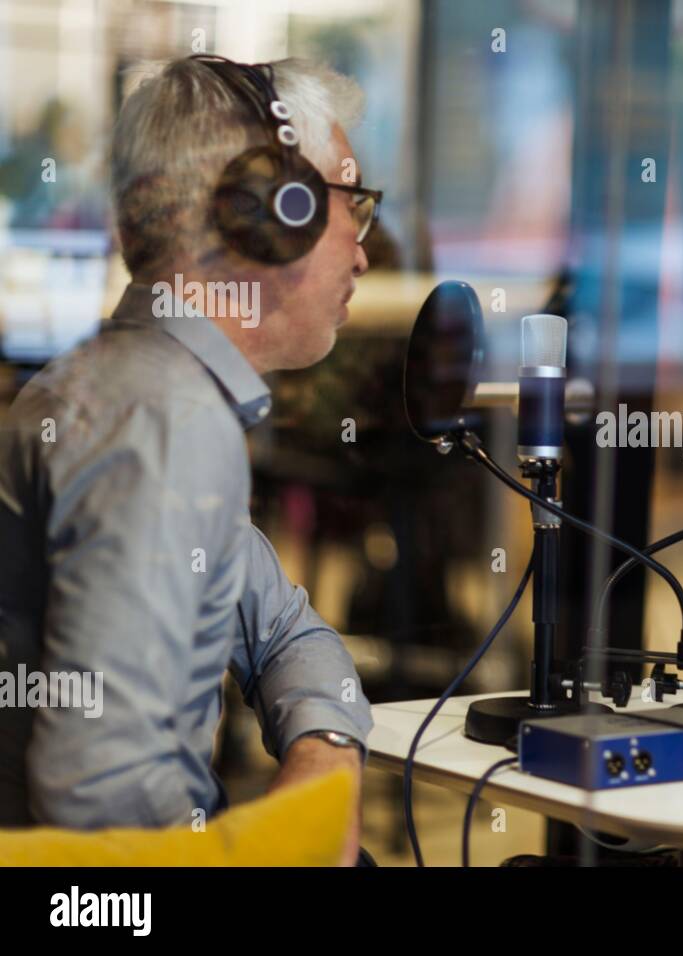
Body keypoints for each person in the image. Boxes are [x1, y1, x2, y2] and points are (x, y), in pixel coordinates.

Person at [0, 55, 379, 864]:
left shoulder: (143, 392)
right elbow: (101, 799)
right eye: (357, 205)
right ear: (273, 213)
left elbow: (283, 632)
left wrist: (323, 754)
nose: (362, 254)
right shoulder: (160, 423)